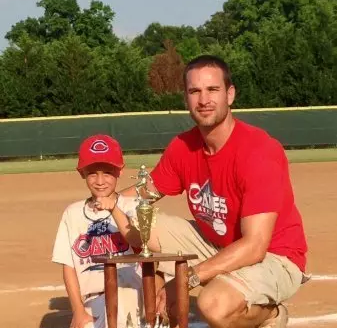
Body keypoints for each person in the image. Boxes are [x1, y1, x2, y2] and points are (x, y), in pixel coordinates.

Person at [104, 55, 308, 328]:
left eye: (213, 90)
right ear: (186, 99)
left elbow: (255, 246)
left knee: (213, 305)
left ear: (230, 94)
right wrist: (104, 201)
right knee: (141, 224)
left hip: (274, 255)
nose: (204, 100)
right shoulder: (183, 147)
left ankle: (271, 315)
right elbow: (142, 195)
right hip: (221, 245)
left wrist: (187, 278)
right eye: (194, 91)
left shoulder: (259, 151)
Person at [52, 134, 143, 328]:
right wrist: (78, 311)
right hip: (93, 301)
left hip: (130, 293)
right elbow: (68, 267)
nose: (100, 181)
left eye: (108, 172)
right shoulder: (72, 213)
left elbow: (137, 241)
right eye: (93, 173)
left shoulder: (132, 206)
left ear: (119, 171)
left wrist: (114, 209)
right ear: (82, 173)